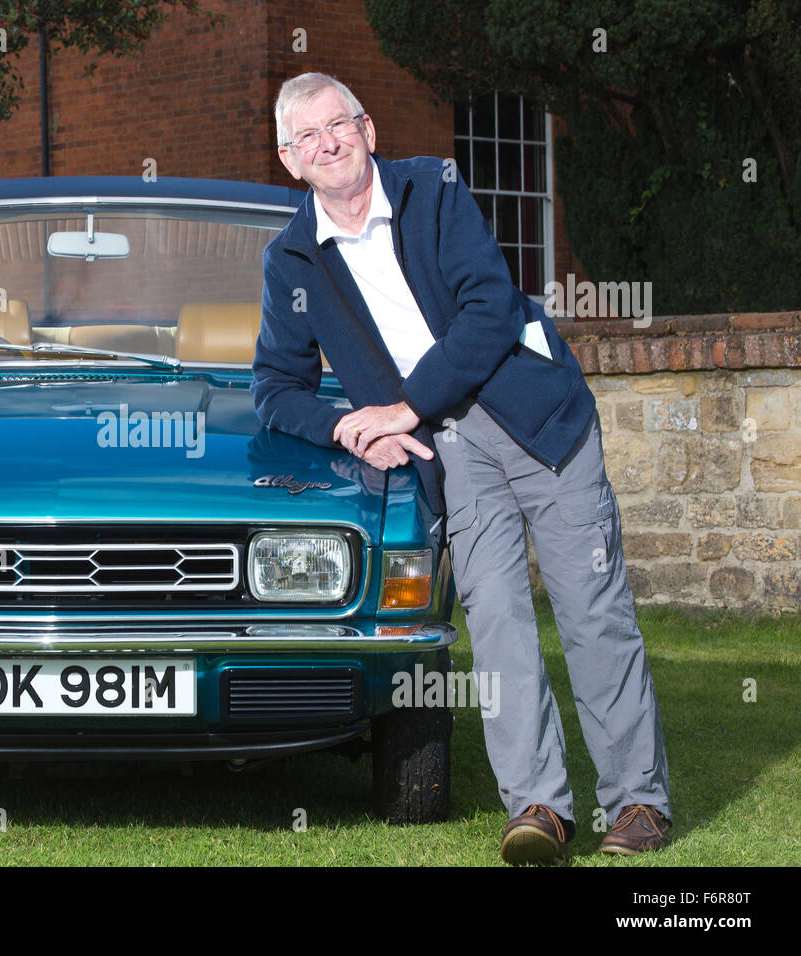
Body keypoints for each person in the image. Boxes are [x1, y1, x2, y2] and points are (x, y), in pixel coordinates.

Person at [252, 72, 672, 864]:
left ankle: (639, 803)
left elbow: (490, 310)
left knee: (592, 611)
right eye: (307, 137)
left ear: (368, 129)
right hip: (449, 451)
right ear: (288, 159)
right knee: (497, 623)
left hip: (537, 419)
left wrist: (403, 408)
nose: (328, 144)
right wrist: (350, 428)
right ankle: (540, 808)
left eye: (338, 125)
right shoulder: (291, 259)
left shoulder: (433, 190)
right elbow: (275, 387)